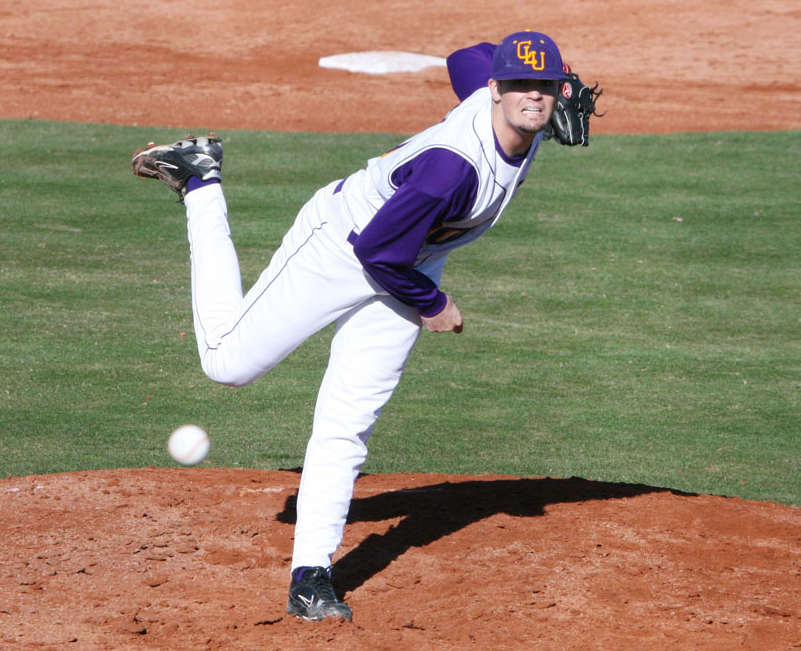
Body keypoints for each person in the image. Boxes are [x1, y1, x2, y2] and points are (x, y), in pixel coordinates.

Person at [132, 31, 572, 622]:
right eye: (519, 84)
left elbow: (463, 57)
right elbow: (378, 254)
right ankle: (200, 179)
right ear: (495, 90)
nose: (533, 97)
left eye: (544, 86)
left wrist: (545, 71)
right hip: (342, 248)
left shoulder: (508, 102)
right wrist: (435, 304)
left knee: (349, 419)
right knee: (226, 363)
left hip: (406, 260)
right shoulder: (454, 168)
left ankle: (310, 575)